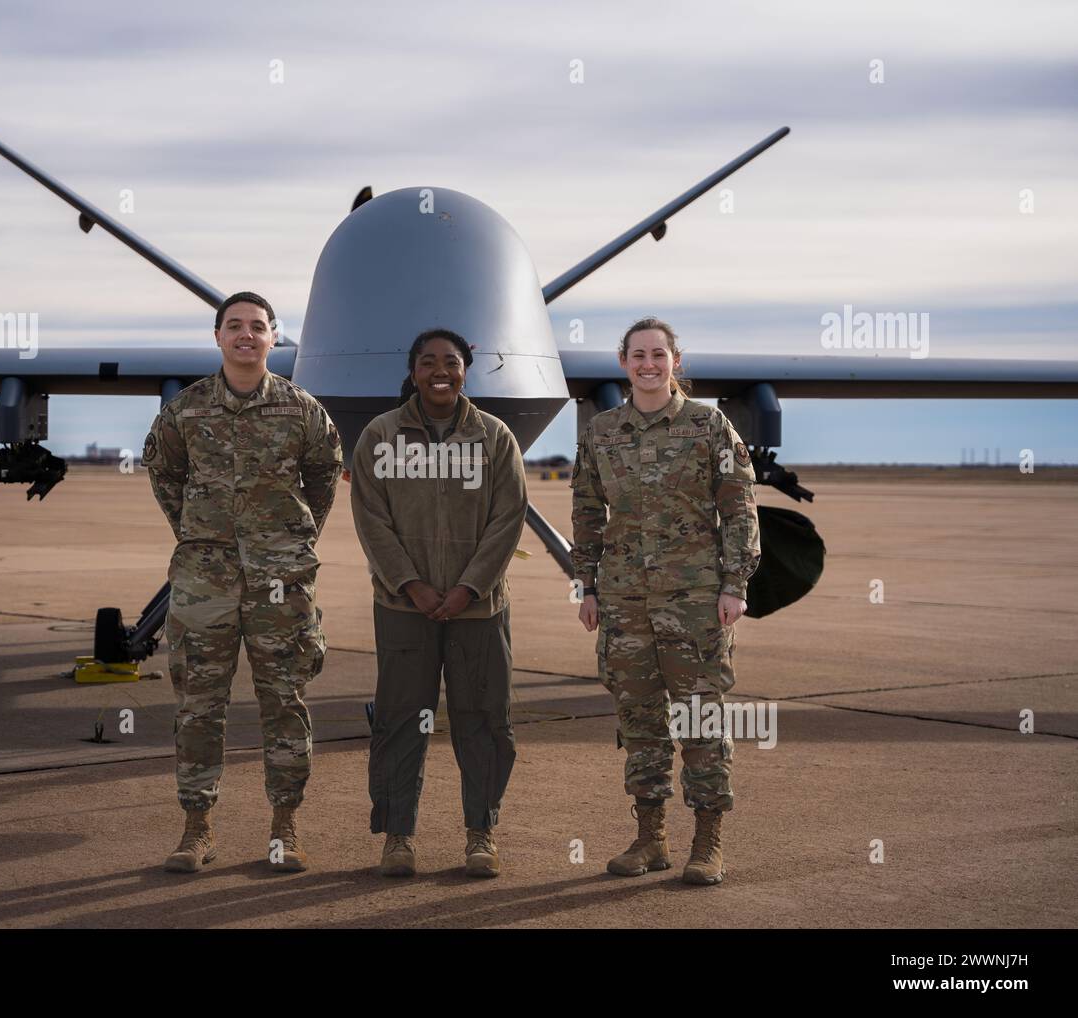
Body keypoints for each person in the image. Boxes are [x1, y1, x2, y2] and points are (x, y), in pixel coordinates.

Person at [141, 291, 343, 874]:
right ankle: (196, 828)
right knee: (199, 706)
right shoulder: (186, 410)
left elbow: (323, 478)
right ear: (219, 337)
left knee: (285, 701)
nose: (246, 335)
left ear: (273, 338)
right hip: (206, 581)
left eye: (258, 327)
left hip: (282, 581)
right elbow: (166, 476)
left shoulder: (303, 410)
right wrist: (203, 537)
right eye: (235, 326)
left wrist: (288, 540)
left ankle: (285, 827)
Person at [571, 317, 760, 885]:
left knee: (701, 717)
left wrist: (735, 585)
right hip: (625, 601)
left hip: (697, 600)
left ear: (675, 360)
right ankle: (650, 839)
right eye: (637, 355)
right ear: (622, 362)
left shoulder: (708, 425)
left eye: (658, 354)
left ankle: (708, 843)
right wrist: (588, 586)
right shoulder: (602, 431)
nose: (648, 364)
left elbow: (739, 508)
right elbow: (586, 512)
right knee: (640, 721)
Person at [349, 329, 528, 879]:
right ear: (413, 371)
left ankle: (481, 833)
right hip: (405, 610)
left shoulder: (495, 438)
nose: (440, 371)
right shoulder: (381, 437)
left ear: (466, 370)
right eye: (428, 362)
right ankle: (398, 836)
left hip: (479, 610)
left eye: (451, 361)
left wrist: (468, 587)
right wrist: (412, 585)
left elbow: (508, 517)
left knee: (483, 720)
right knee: (402, 721)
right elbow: (370, 518)